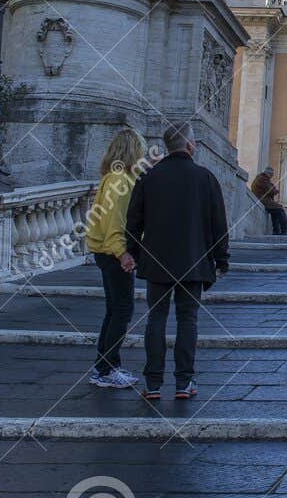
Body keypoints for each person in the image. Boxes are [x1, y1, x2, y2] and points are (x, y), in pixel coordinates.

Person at [126, 123, 229, 402]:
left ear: (167, 146)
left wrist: (131, 252)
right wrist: (222, 259)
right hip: (194, 260)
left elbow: (133, 221)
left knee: (156, 318)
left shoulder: (148, 177)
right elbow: (219, 224)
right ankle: (184, 382)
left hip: (156, 260)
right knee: (187, 320)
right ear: (191, 146)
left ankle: (153, 383)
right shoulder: (205, 178)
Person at [84, 127, 147, 390]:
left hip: (105, 251)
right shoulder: (121, 181)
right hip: (113, 253)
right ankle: (106, 368)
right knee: (122, 310)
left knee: (115, 310)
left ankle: (105, 365)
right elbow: (115, 223)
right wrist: (123, 253)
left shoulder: (113, 177)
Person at [251, 166, 287, 235]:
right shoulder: (263, 179)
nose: (272, 177)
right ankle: (284, 230)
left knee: (275, 212)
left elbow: (271, 188)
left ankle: (276, 231)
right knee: (280, 209)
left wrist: (273, 188)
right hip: (262, 199)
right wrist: (275, 191)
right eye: (271, 175)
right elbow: (271, 190)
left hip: (262, 198)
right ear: (269, 174)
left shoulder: (261, 178)